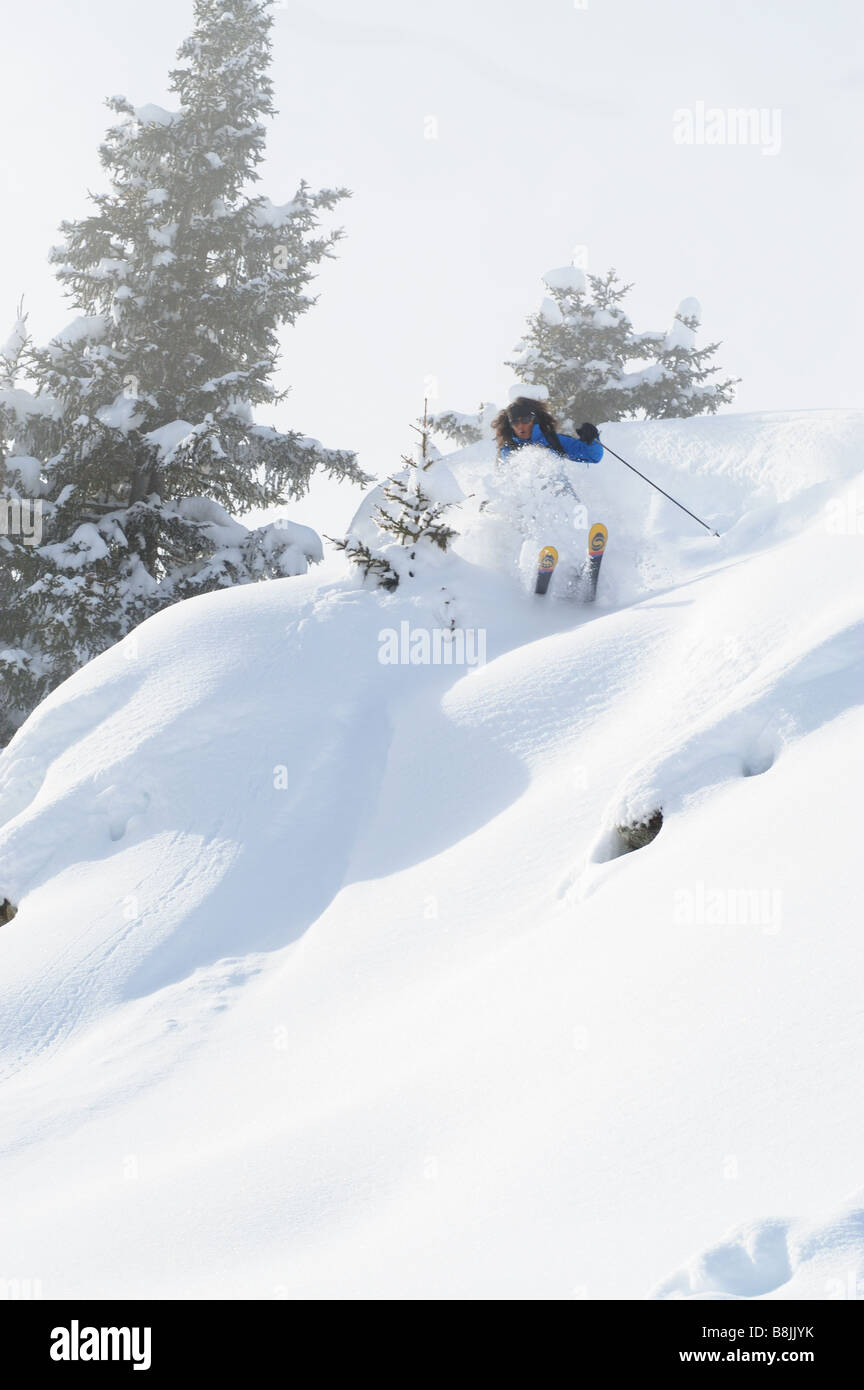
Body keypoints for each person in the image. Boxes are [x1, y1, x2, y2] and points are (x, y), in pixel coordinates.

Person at [493, 397, 603, 465]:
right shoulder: (508, 451)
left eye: (525, 420)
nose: (521, 426)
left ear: (534, 419)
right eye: (515, 423)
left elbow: (593, 456)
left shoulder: (552, 440)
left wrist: (591, 440)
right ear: (510, 426)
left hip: (561, 499)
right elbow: (503, 484)